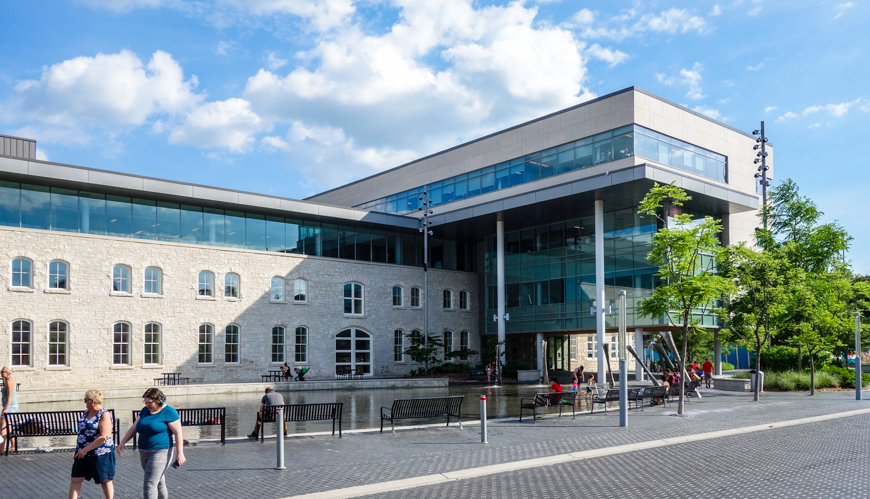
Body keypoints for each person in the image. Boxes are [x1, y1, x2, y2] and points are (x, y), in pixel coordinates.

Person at [117, 388, 186, 499]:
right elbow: (134, 427)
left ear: (158, 400)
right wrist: (123, 442)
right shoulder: (145, 410)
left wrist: (180, 453)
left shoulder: (169, 411)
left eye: (150, 402)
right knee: (158, 481)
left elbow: (178, 433)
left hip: (161, 452)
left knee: (150, 483)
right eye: (145, 402)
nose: (147, 404)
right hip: (144, 451)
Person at [69, 389, 115, 499]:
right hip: (81, 453)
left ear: (92, 401)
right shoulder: (87, 411)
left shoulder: (104, 414)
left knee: (105, 480)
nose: (85, 402)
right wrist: (82, 450)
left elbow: (104, 436)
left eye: (86, 400)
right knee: (75, 479)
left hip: (99, 454)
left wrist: (86, 449)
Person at [1, 366, 19, 454]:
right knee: (9, 426)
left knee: (3, 427)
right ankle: (13, 446)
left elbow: (10, 396)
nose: (1, 373)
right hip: (10, 406)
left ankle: (1, 450)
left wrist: (6, 409)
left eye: (3, 371)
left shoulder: (9, 382)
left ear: (8, 373)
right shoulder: (7, 381)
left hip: (10, 406)